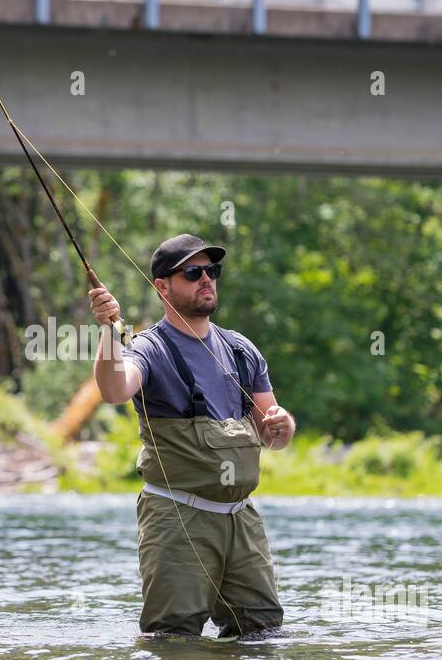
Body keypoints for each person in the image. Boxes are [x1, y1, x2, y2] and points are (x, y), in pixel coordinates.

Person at [90, 233, 294, 639]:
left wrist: (284, 425)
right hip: (177, 517)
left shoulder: (241, 350)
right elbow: (114, 390)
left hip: (242, 520)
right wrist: (110, 332)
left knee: (261, 634)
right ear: (162, 286)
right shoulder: (150, 349)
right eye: (193, 272)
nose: (207, 280)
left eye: (211, 271)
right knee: (173, 640)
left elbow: (272, 434)